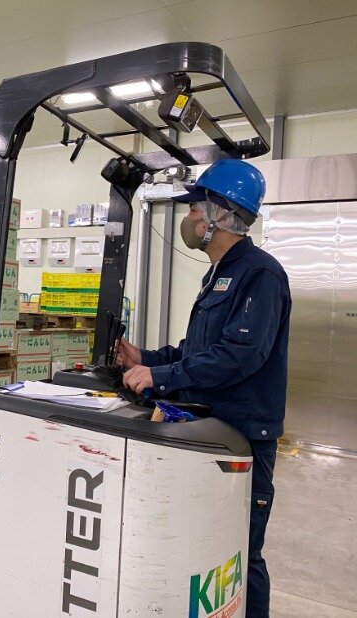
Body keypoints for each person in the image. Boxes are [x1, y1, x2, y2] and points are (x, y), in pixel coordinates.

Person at [117, 159, 291, 618]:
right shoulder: (217, 273)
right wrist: (146, 360)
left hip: (244, 435)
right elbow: (197, 351)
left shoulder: (260, 273)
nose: (190, 217)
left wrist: (162, 378)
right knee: (211, 547)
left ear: (219, 214)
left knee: (243, 549)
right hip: (212, 427)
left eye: (195, 207)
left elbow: (241, 355)